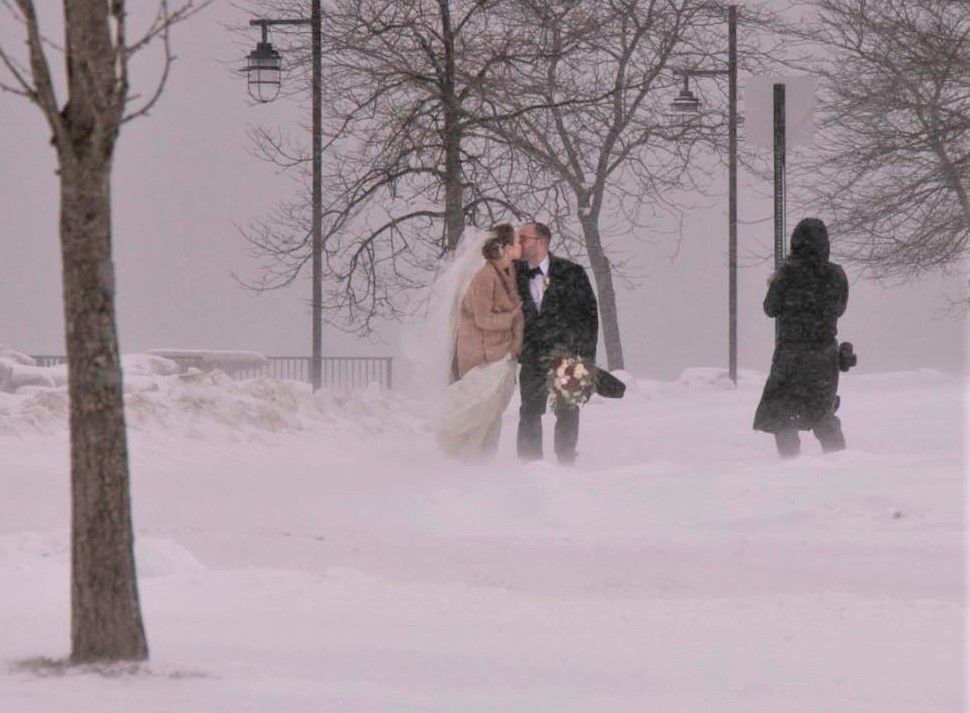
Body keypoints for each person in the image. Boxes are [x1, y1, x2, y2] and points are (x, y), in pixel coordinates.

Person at [753, 217, 849, 458]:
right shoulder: (835, 275)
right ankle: (840, 462)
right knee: (822, 413)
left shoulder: (787, 274)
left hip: (791, 357)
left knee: (783, 415)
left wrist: (778, 281)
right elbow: (839, 309)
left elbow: (770, 308)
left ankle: (790, 463)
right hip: (824, 357)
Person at [434, 223, 524, 459]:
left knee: (492, 414)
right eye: (517, 241)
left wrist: (514, 346)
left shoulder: (506, 271)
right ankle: (468, 460)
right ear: (505, 248)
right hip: (482, 357)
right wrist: (511, 317)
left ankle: (484, 461)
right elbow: (483, 319)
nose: (521, 245)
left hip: (500, 353)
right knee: (478, 413)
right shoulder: (484, 276)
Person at [513, 222, 598, 465]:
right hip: (531, 354)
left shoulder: (572, 272)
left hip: (568, 354)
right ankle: (529, 465)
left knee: (568, 408)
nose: (518, 243)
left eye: (523, 238)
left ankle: (566, 462)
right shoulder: (512, 274)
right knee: (529, 410)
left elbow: (589, 318)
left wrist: (585, 359)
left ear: (541, 242)